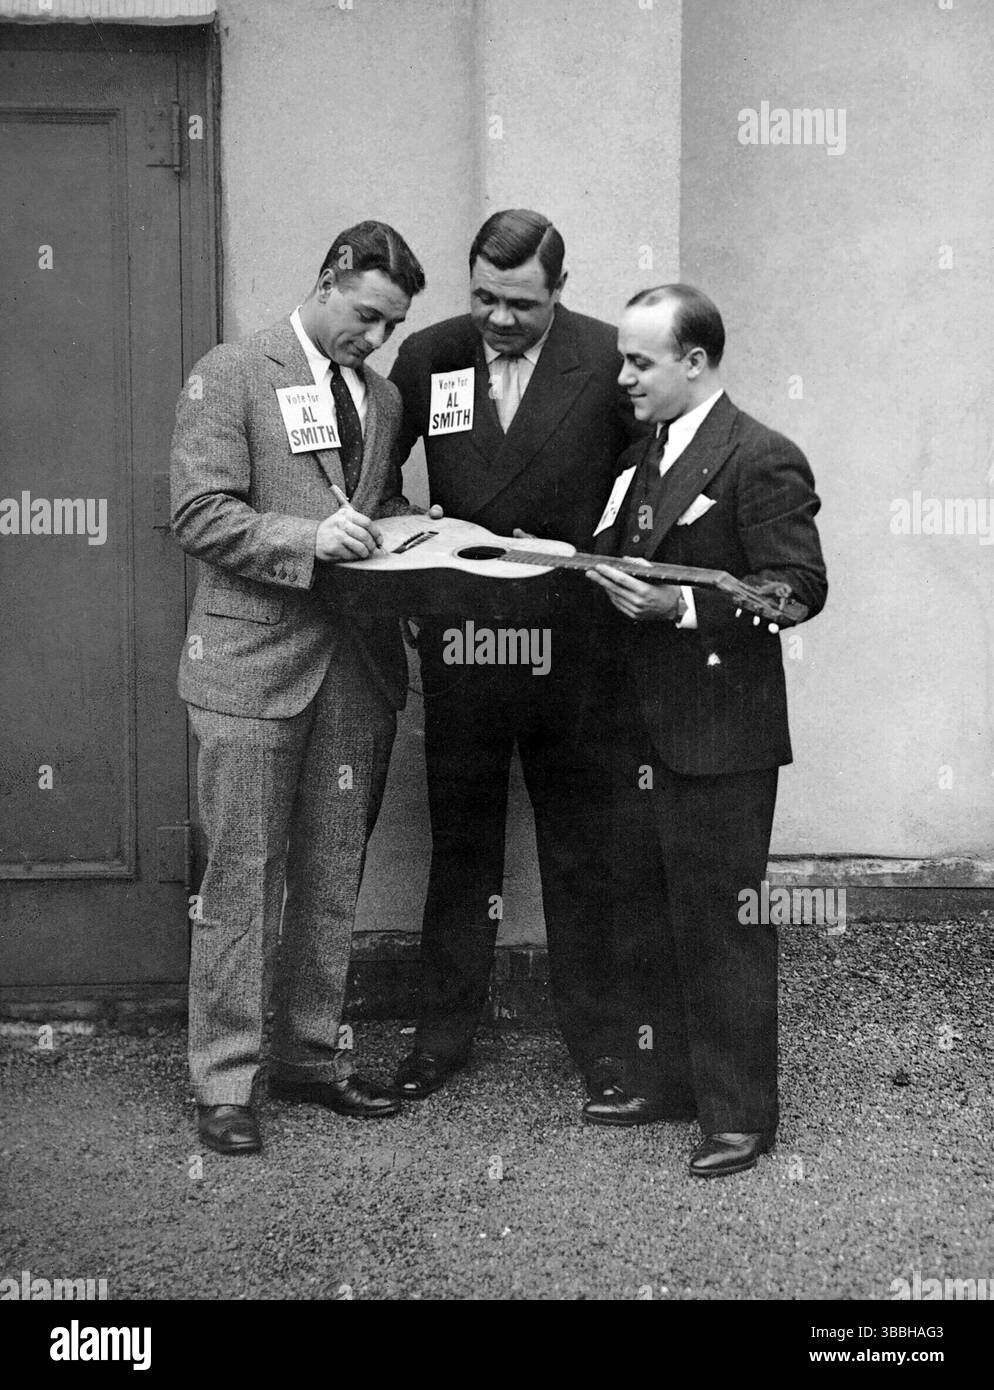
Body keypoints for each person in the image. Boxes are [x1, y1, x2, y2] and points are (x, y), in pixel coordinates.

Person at [171, 221, 435, 1155]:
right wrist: (306, 542)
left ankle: (311, 1056)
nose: (375, 339)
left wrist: (420, 531)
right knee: (240, 878)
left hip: (354, 673)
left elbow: (371, 508)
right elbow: (199, 511)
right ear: (329, 279)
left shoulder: (386, 397)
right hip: (252, 668)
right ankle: (226, 1083)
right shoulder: (233, 371)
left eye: (392, 327)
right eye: (367, 316)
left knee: (330, 876)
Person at [387, 208, 644, 1103]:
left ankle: (603, 1045)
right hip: (463, 641)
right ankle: (440, 1040)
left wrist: (591, 554)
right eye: (485, 297)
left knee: (582, 849)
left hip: (572, 650)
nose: (499, 319)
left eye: (522, 304)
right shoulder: (429, 355)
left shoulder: (609, 359)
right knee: (460, 847)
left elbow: (651, 488)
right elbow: (378, 480)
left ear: (560, 293)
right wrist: (413, 561)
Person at [583, 283, 828, 1178]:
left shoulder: (761, 456)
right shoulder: (643, 452)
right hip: (636, 726)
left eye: (639, 362)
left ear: (695, 362)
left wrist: (679, 605)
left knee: (723, 920)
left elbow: (797, 587)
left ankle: (738, 1114)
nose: (623, 377)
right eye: (621, 359)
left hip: (721, 732)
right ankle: (665, 1082)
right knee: (644, 908)